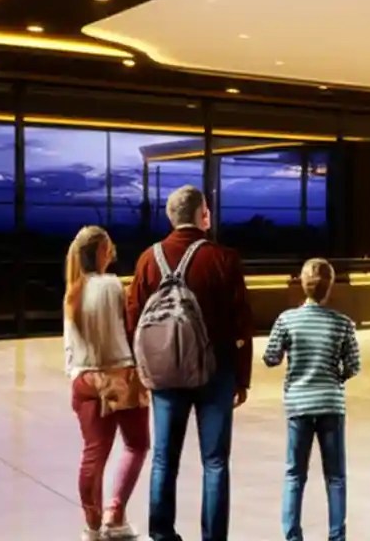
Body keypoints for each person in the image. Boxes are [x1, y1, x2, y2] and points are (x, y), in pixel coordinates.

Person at [126, 186, 252, 541]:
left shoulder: (148, 260)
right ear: (202, 215)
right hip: (216, 372)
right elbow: (241, 320)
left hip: (165, 374)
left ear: (171, 217)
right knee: (215, 462)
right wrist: (241, 377)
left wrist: (144, 368)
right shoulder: (224, 258)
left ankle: (162, 533)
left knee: (164, 459)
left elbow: (132, 318)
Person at [263, 258, 361, 541]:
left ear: (302, 286)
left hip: (298, 405)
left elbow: (271, 357)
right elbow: (353, 365)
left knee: (295, 474)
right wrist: (336, 377)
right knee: (336, 477)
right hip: (331, 404)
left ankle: (292, 535)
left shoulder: (286, 320)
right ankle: (336, 536)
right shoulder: (343, 324)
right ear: (330, 288)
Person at [64, 226, 150, 541]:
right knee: (136, 444)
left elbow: (71, 349)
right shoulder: (113, 285)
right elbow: (129, 329)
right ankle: (116, 515)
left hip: (84, 379)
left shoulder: (72, 291)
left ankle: (91, 525)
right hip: (121, 376)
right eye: (109, 247)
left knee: (93, 453)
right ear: (102, 251)